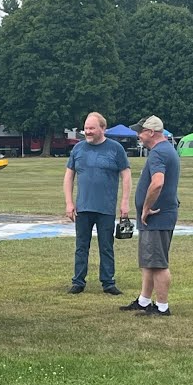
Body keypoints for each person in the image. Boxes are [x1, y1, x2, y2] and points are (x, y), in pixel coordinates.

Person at [63, 112, 132, 295]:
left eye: (92, 128)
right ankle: (78, 282)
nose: (87, 131)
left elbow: (126, 175)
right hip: (83, 207)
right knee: (81, 246)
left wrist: (125, 202)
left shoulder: (115, 149)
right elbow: (69, 176)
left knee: (106, 246)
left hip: (106, 208)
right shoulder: (78, 149)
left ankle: (108, 283)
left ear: (103, 128)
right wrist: (69, 202)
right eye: (86, 128)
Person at [121, 115, 181, 316]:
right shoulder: (166, 150)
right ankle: (144, 301)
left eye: (141, 131)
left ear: (151, 133)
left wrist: (146, 207)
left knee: (158, 263)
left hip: (157, 216)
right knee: (149, 261)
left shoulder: (158, 153)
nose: (138, 135)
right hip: (159, 216)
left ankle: (162, 307)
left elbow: (158, 182)